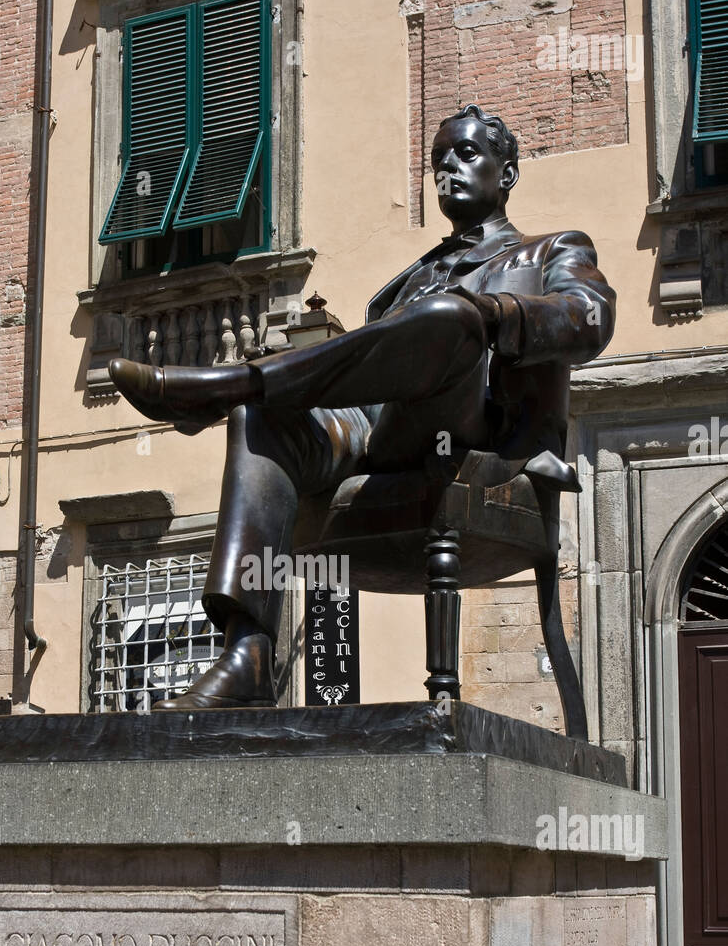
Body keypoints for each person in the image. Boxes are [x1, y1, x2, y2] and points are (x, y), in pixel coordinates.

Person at [109, 104, 616, 709]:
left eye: (466, 154)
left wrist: (495, 314)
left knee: (451, 315)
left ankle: (228, 385)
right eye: (438, 160)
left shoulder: (547, 251)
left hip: (474, 437)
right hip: (379, 431)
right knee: (263, 419)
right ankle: (247, 654)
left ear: (506, 173)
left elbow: (592, 317)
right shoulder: (404, 283)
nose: (447, 169)